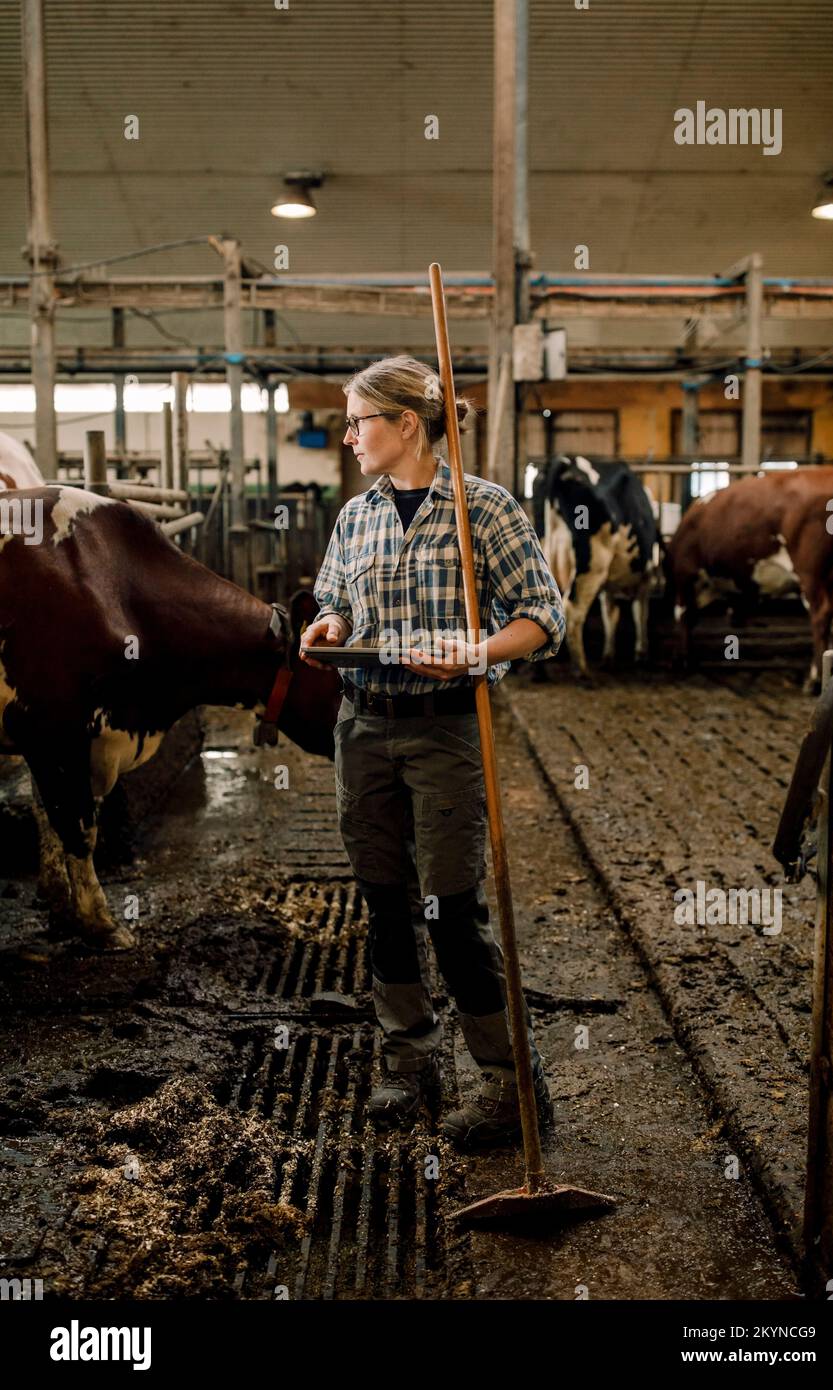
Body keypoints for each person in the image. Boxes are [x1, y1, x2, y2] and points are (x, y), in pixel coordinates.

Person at [300, 355, 567, 1149]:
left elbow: (544, 617)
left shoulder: (482, 508)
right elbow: (335, 597)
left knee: (451, 910)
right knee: (383, 901)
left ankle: (509, 1084)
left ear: (406, 424)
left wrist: (480, 652)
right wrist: (331, 628)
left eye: (359, 420)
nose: (348, 435)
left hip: (445, 726)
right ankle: (408, 1061)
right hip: (362, 725)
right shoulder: (356, 517)